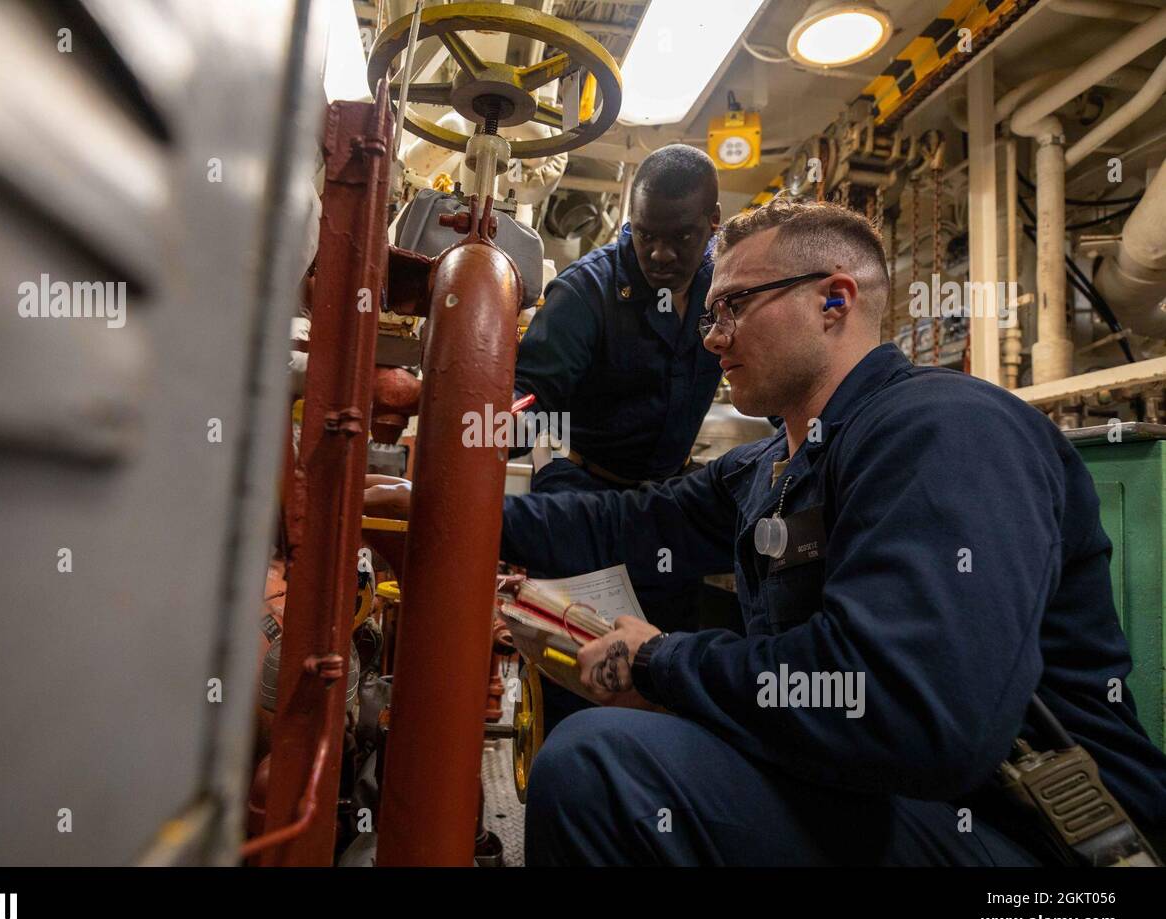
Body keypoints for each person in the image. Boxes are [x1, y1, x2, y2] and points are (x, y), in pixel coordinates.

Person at [367, 199, 1166, 865]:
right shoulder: (772, 466)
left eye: (736, 306)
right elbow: (627, 522)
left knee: (603, 768)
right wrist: (445, 506)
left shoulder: (945, 430)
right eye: (710, 312)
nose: (713, 339)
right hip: (910, 807)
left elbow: (908, 711)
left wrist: (662, 663)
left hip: (1046, 854)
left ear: (834, 301)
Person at [513, 143, 723, 496]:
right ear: (632, 219)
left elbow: (776, 376)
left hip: (669, 487)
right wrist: (500, 420)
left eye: (681, 236)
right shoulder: (583, 292)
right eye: (646, 235)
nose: (660, 254)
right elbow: (534, 396)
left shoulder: (726, 287)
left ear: (713, 220)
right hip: (579, 484)